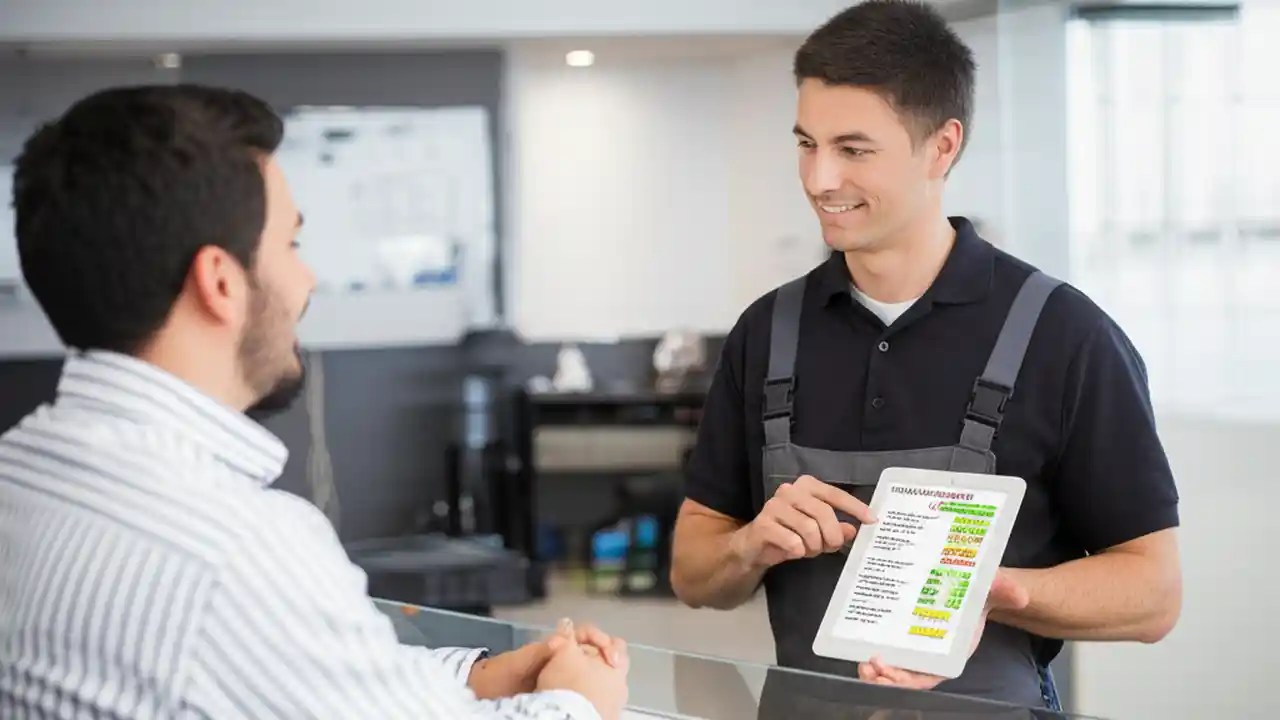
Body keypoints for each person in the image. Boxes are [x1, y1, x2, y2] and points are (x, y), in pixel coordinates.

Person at [0, 84, 628, 720]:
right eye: (291, 246)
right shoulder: (240, 551)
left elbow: (313, 679)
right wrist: (576, 702)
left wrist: (481, 675)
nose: (308, 280)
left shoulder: (20, 474)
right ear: (220, 282)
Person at [670, 0, 1182, 710]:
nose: (819, 179)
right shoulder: (766, 333)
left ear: (942, 146)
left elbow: (1153, 593)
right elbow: (693, 574)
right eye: (807, 144)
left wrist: (994, 592)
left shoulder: (1066, 335)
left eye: (853, 150)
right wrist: (749, 545)